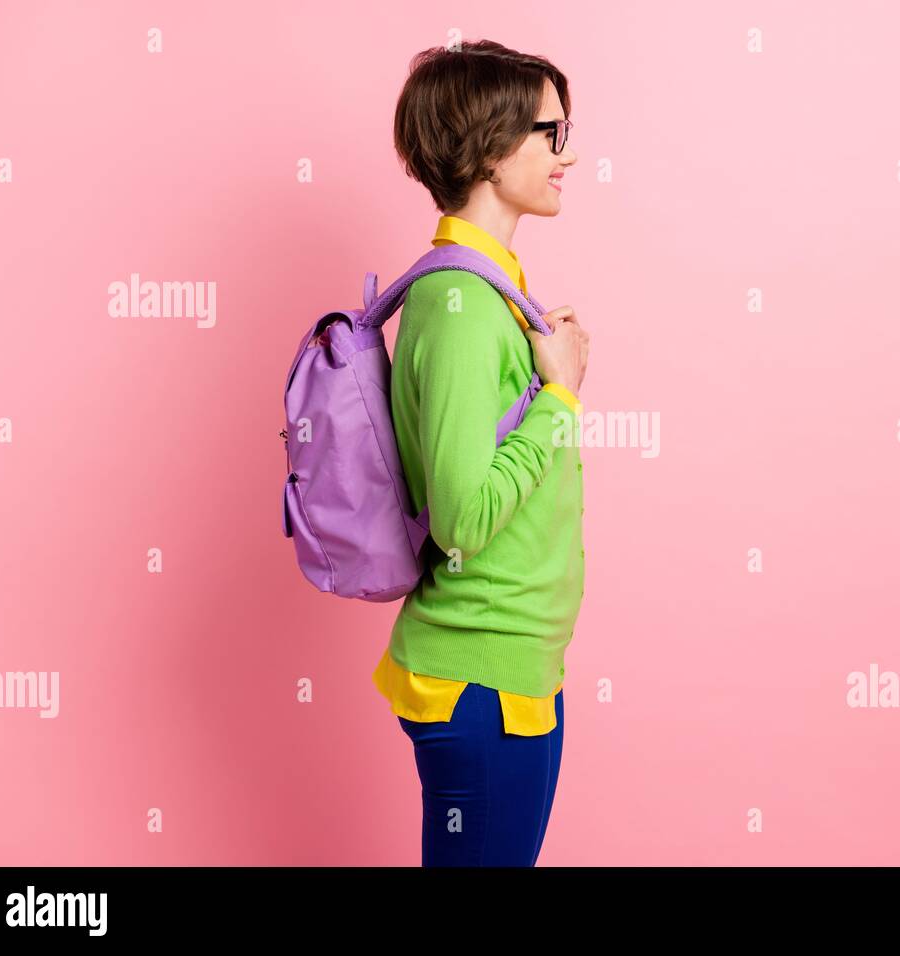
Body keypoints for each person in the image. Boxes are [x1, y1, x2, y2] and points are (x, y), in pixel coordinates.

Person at [371, 39, 589, 866]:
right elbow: (462, 518)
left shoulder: (488, 288)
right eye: (550, 133)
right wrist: (560, 396)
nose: (568, 153)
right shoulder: (461, 302)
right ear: (493, 148)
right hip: (480, 675)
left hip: (511, 667)